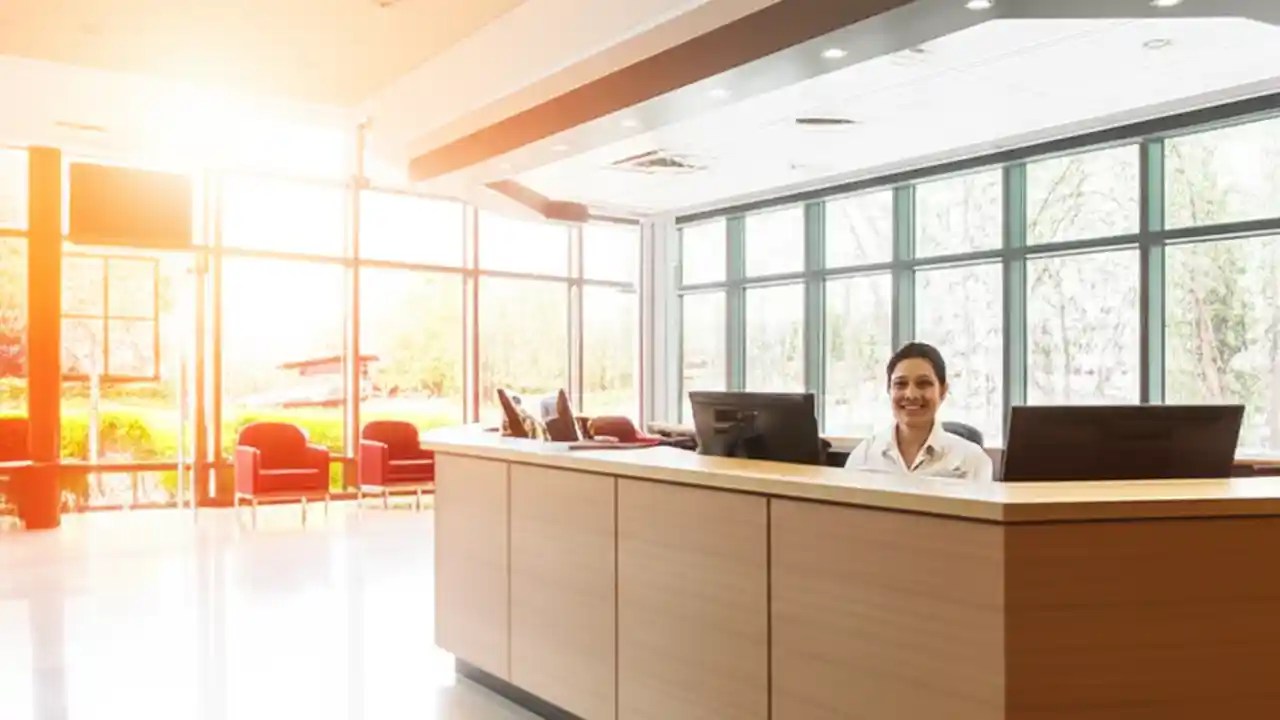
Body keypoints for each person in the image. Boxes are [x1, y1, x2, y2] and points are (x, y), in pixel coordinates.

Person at [844, 342, 993, 482]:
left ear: (943, 391)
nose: (911, 395)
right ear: (889, 390)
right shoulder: (863, 456)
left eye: (923, 383)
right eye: (900, 384)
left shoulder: (972, 461)